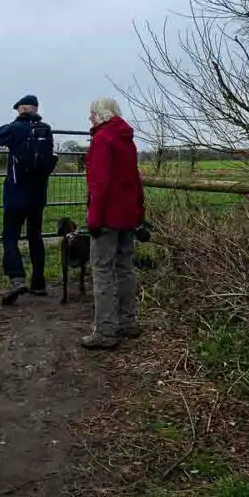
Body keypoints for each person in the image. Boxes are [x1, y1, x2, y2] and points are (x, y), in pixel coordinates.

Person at [0, 95, 57, 305]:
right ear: (36, 109)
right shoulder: (46, 130)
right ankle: (38, 283)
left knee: (10, 237)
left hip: (16, 194)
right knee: (35, 237)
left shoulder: (15, 129)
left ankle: (16, 278)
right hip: (38, 195)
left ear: (22, 109)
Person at [84, 97, 145, 350]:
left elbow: (100, 184)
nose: (89, 119)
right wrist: (139, 212)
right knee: (125, 268)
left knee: (102, 270)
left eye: (91, 114)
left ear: (100, 115)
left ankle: (106, 331)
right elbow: (135, 179)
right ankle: (128, 322)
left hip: (107, 216)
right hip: (128, 216)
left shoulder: (102, 139)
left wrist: (93, 218)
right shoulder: (126, 140)